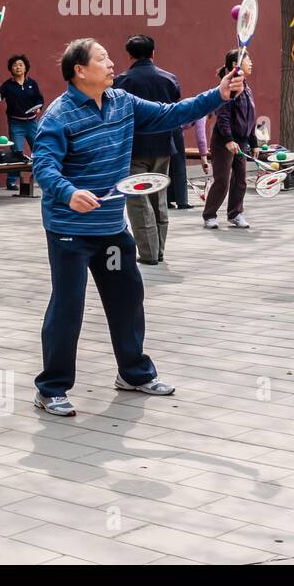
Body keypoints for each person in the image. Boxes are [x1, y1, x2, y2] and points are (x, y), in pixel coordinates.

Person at [30, 38, 241, 416]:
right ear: (80, 70)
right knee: (68, 306)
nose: (112, 64)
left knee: (127, 298)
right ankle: (51, 388)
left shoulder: (122, 102)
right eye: (102, 59)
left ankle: (134, 373)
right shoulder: (59, 116)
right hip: (70, 232)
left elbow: (172, 113)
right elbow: (44, 166)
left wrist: (219, 94)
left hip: (111, 228)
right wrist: (68, 192)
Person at [113, 34, 181, 264]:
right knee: (158, 197)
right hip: (163, 146)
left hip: (135, 148)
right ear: (153, 53)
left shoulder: (122, 81)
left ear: (130, 55)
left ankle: (149, 253)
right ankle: (159, 249)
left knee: (138, 201)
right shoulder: (169, 79)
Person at [202, 49, 257, 230]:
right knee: (222, 180)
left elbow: (250, 117)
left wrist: (253, 142)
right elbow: (223, 116)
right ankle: (209, 215)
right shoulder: (229, 88)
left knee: (240, 179)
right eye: (248, 59)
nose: (251, 63)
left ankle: (235, 214)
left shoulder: (245, 88)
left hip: (240, 142)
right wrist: (228, 139)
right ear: (236, 64)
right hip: (223, 142)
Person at [0, 54, 44, 192]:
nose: (18, 67)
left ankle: (42, 177)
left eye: (21, 65)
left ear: (26, 67)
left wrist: (39, 107)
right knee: (16, 152)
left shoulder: (32, 83)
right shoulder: (8, 85)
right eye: (15, 65)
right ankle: (11, 181)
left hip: (32, 123)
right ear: (11, 68)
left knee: (39, 149)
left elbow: (39, 99)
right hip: (16, 123)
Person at [168, 118, 209, 209]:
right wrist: (204, 159)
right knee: (180, 166)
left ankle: (167, 200)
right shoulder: (202, 109)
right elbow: (200, 136)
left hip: (165, 127)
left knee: (168, 165)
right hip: (175, 129)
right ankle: (182, 201)